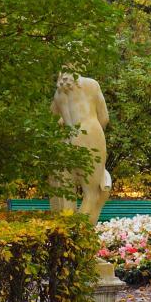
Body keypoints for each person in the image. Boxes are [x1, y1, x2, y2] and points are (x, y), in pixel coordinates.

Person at [50, 71, 112, 224]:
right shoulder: (91, 84)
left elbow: (52, 120)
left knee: (65, 192)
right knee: (94, 193)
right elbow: (104, 118)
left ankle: (66, 236)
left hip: (66, 139)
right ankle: (80, 236)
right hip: (90, 134)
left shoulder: (58, 95)